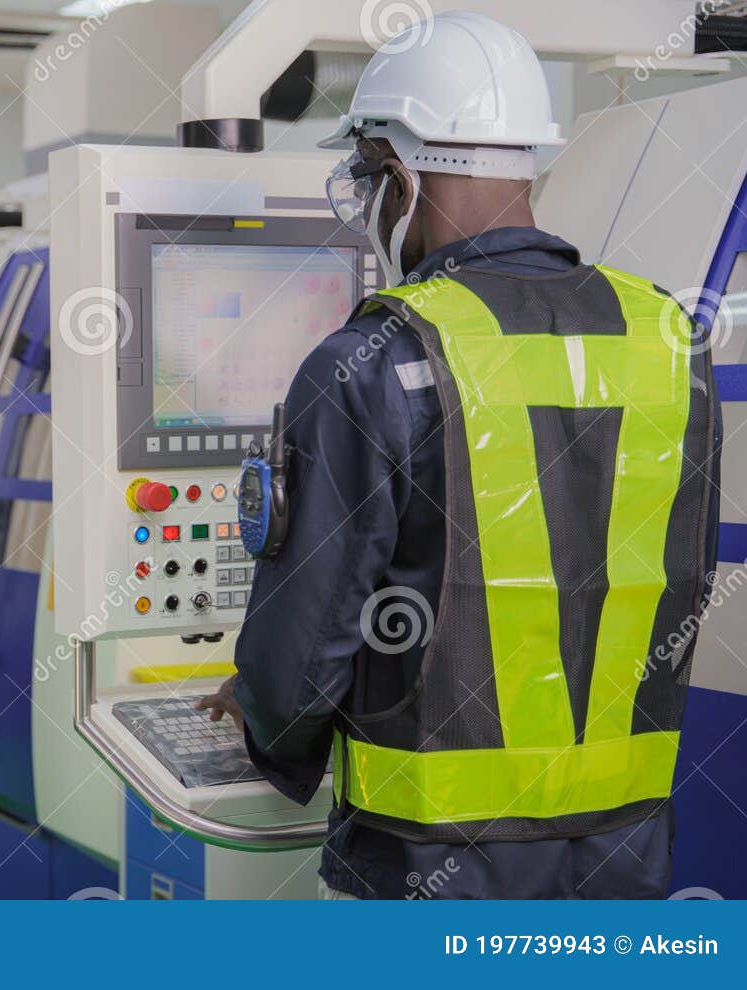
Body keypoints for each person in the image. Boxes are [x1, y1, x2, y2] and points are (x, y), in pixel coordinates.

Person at [197, 11, 720, 899]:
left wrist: (258, 718)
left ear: (399, 171)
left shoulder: (377, 359)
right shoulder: (669, 338)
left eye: (367, 178)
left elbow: (309, 638)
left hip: (421, 872)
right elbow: (682, 576)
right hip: (625, 865)